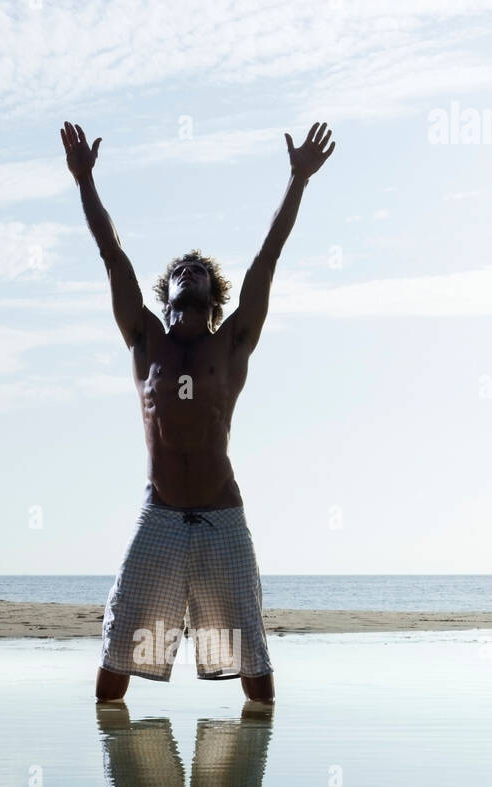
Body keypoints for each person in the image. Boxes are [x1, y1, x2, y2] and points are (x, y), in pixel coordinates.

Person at [60, 118, 336, 704]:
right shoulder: (144, 339)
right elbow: (112, 254)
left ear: (215, 294)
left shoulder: (231, 344)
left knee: (251, 661)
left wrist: (298, 182)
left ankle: (242, 786)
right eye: (180, 271)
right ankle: (129, 780)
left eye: (199, 271)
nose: (189, 272)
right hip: (159, 516)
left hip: (221, 517)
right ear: (166, 293)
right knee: (118, 660)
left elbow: (269, 255)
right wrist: (85, 181)